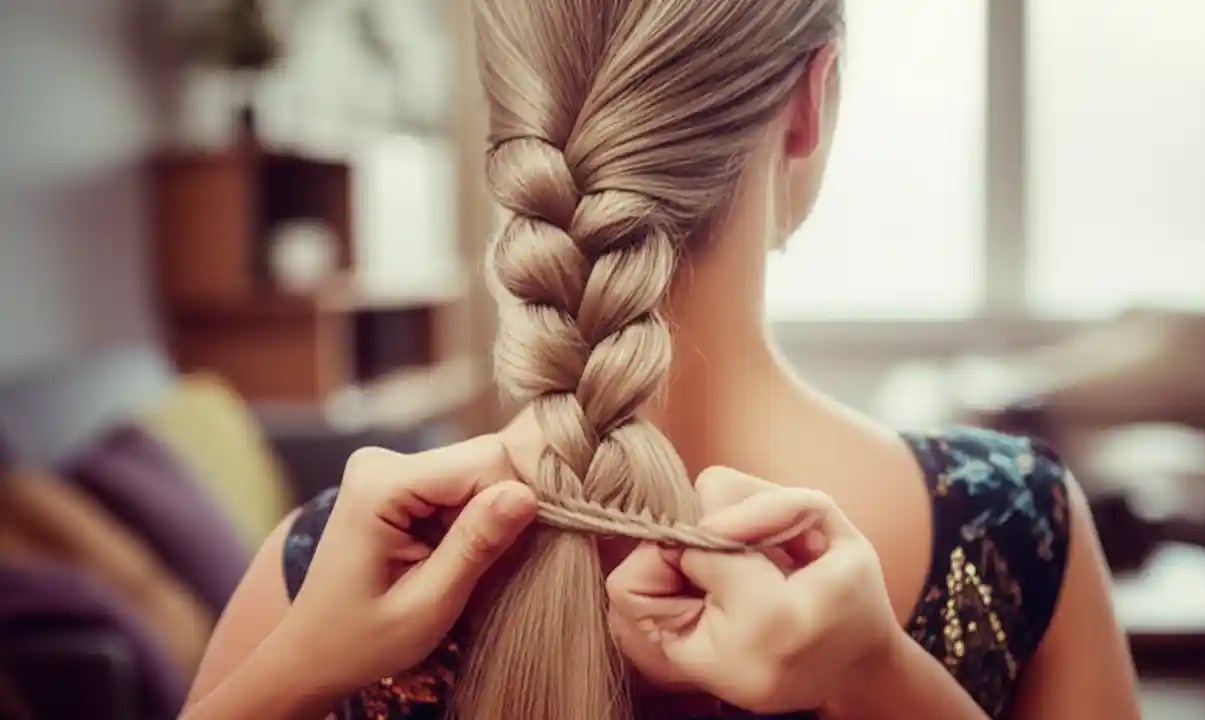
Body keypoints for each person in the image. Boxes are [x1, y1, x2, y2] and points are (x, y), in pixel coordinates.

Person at [184, 0, 1141, 718]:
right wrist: (885, 676)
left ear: (515, 127)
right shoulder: (1019, 521)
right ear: (813, 102)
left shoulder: (333, 576)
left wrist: (292, 675)